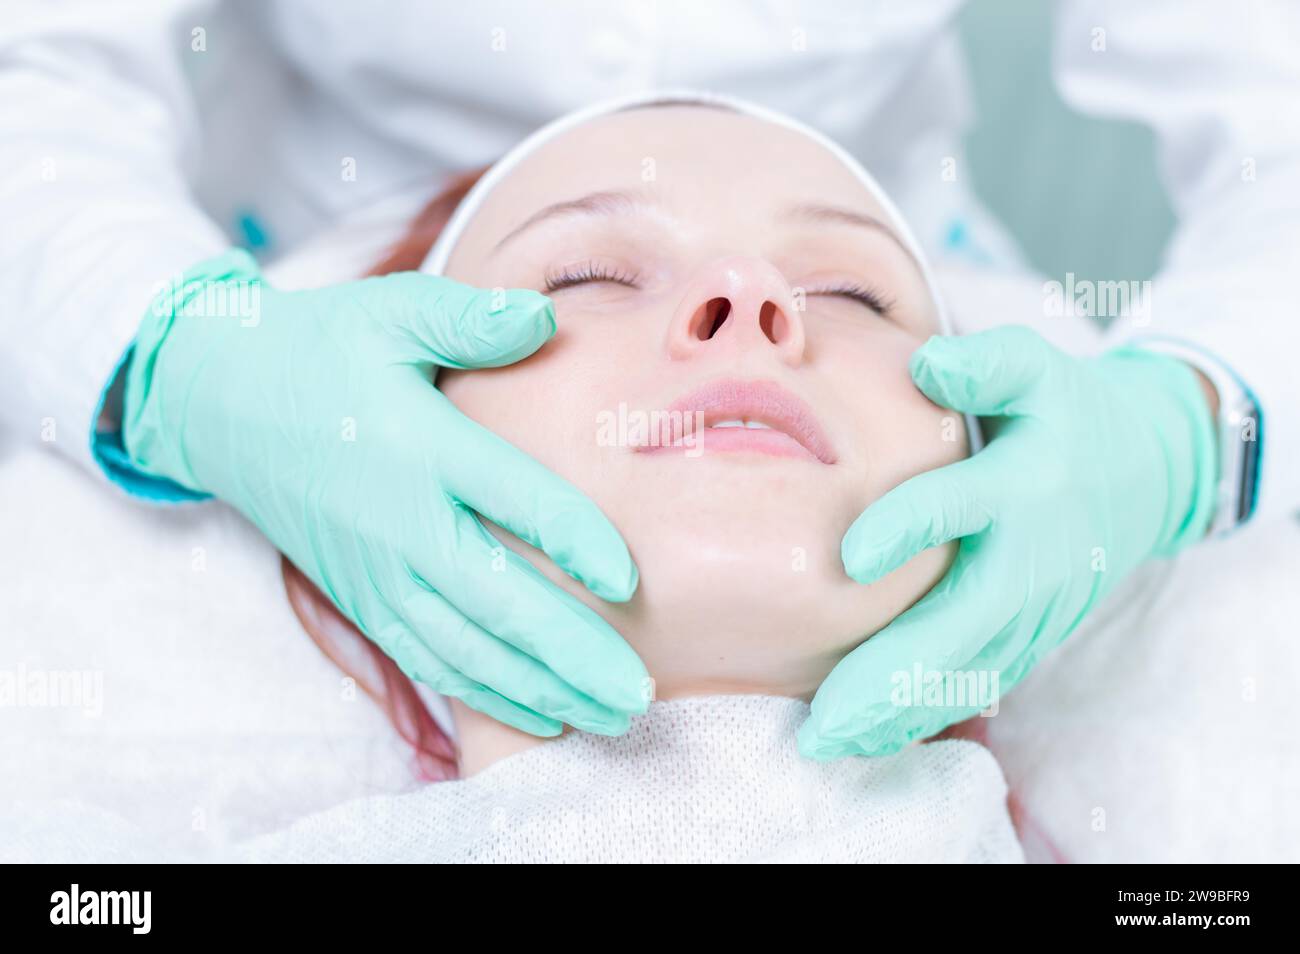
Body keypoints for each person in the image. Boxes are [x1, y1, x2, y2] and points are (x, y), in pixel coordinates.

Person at [2, 2, 1296, 757]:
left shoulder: (1202, 718)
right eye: (580, 283)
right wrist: (176, 358)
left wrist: (1194, 427)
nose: (754, 304)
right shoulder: (123, 694)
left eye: (852, 294)